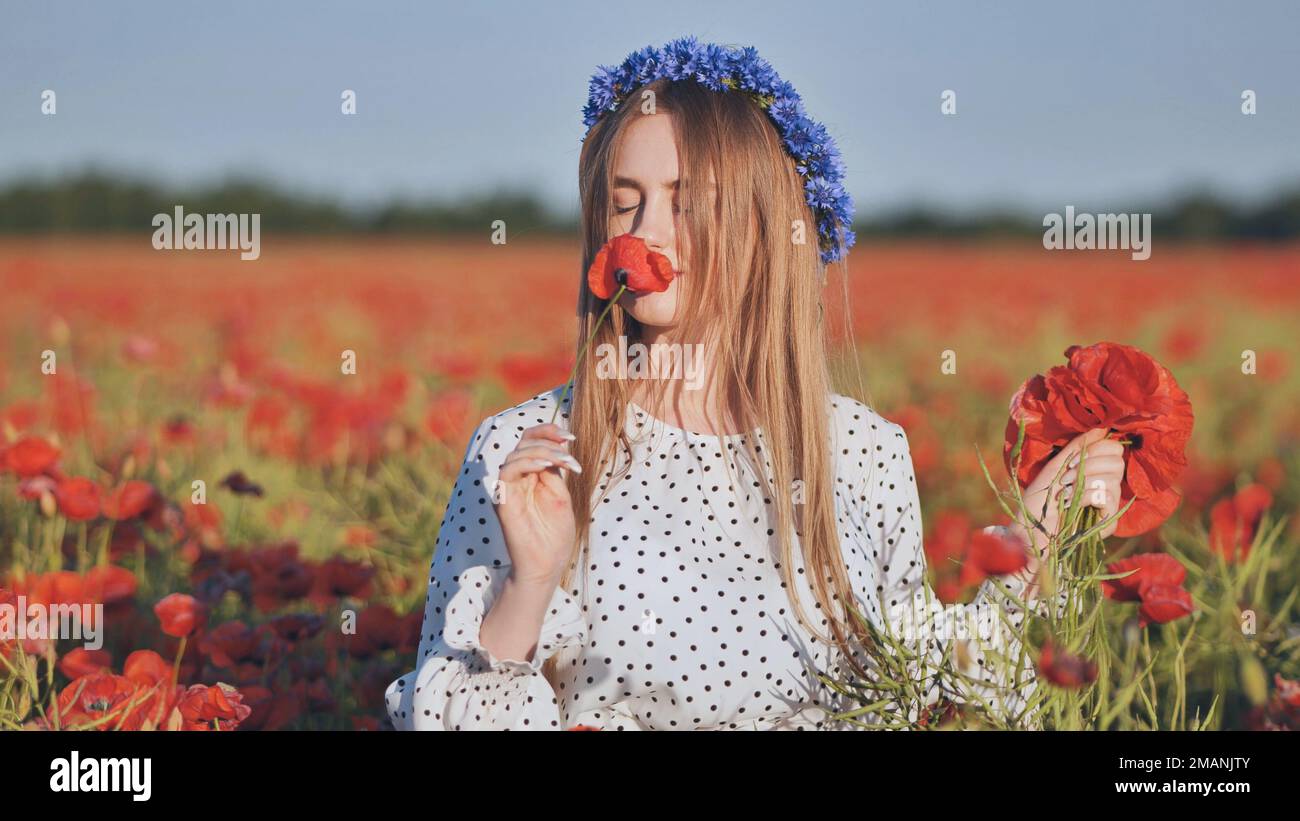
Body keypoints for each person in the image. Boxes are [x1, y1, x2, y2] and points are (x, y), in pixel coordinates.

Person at [384, 38, 1124, 730]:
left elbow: (925, 687)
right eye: (624, 199)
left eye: (687, 199)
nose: (648, 229)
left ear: (769, 225)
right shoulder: (526, 452)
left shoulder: (864, 451)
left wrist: (1030, 542)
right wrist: (529, 585)